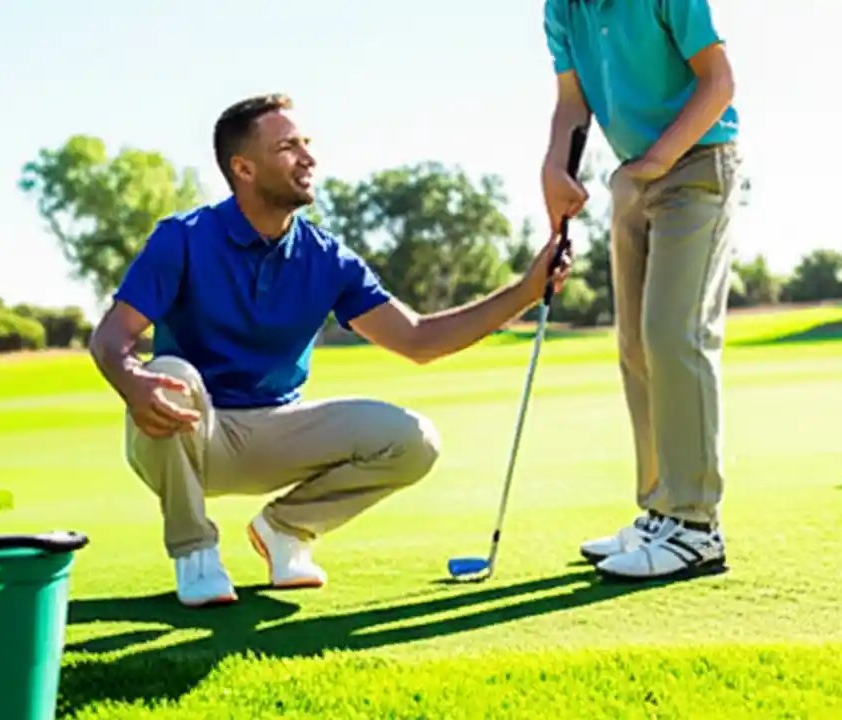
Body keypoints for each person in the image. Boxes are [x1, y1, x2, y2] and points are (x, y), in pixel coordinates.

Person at [88, 93, 572, 607]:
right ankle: (195, 554)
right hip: (188, 433)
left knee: (413, 440)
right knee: (170, 374)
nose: (308, 158)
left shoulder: (327, 257)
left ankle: (286, 530)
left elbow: (419, 339)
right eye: (288, 147)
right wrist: (130, 377)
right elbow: (110, 338)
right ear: (243, 168)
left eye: (307, 144)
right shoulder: (182, 239)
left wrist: (524, 289)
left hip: (278, 431)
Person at [540, 0, 741, 580]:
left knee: (673, 335)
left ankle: (696, 525)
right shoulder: (562, 8)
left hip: (698, 165)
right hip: (634, 174)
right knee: (634, 345)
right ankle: (661, 512)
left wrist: (657, 158)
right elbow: (571, 103)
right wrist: (554, 166)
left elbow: (719, 82)